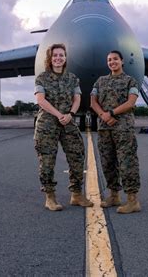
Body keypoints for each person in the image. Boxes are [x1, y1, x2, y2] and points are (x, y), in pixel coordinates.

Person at [34, 43, 93, 211]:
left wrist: (71, 114)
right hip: (47, 123)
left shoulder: (73, 78)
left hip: (68, 121)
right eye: (55, 55)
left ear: (65, 58)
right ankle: (50, 197)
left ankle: (76, 195)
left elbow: (77, 98)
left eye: (61, 55)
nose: (58, 58)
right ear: (50, 58)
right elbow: (41, 100)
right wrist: (59, 114)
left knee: (77, 156)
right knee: (47, 161)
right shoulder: (42, 78)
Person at [90, 50, 141, 214]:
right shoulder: (100, 81)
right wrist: (103, 115)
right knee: (107, 162)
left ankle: (133, 200)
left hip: (123, 127)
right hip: (105, 128)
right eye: (109, 60)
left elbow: (131, 102)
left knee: (127, 163)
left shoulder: (130, 81)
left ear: (122, 61)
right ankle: (114, 195)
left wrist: (111, 113)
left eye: (115, 59)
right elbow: (93, 101)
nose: (112, 62)